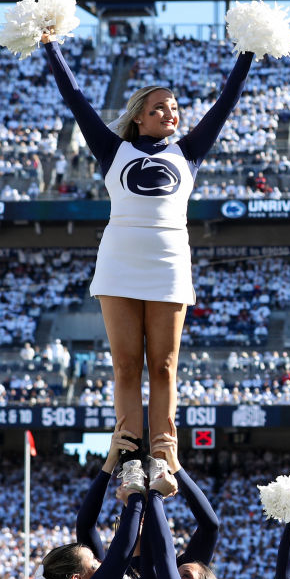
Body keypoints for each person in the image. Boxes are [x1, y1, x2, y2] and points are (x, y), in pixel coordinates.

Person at [41, 29, 254, 455]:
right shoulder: (111, 150)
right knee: (124, 367)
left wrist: (248, 50)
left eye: (174, 108)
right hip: (120, 259)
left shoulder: (188, 152)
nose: (170, 114)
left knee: (164, 366)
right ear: (139, 115)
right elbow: (76, 98)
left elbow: (225, 102)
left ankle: (163, 451)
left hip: (169, 260)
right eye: (160, 108)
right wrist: (51, 45)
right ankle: (126, 452)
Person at [75, 424, 219, 579]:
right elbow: (85, 527)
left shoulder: (172, 576)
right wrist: (110, 464)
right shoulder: (111, 574)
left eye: (144, 517)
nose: (140, 522)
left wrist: (174, 470)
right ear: (121, 528)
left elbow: (210, 528)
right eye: (133, 518)